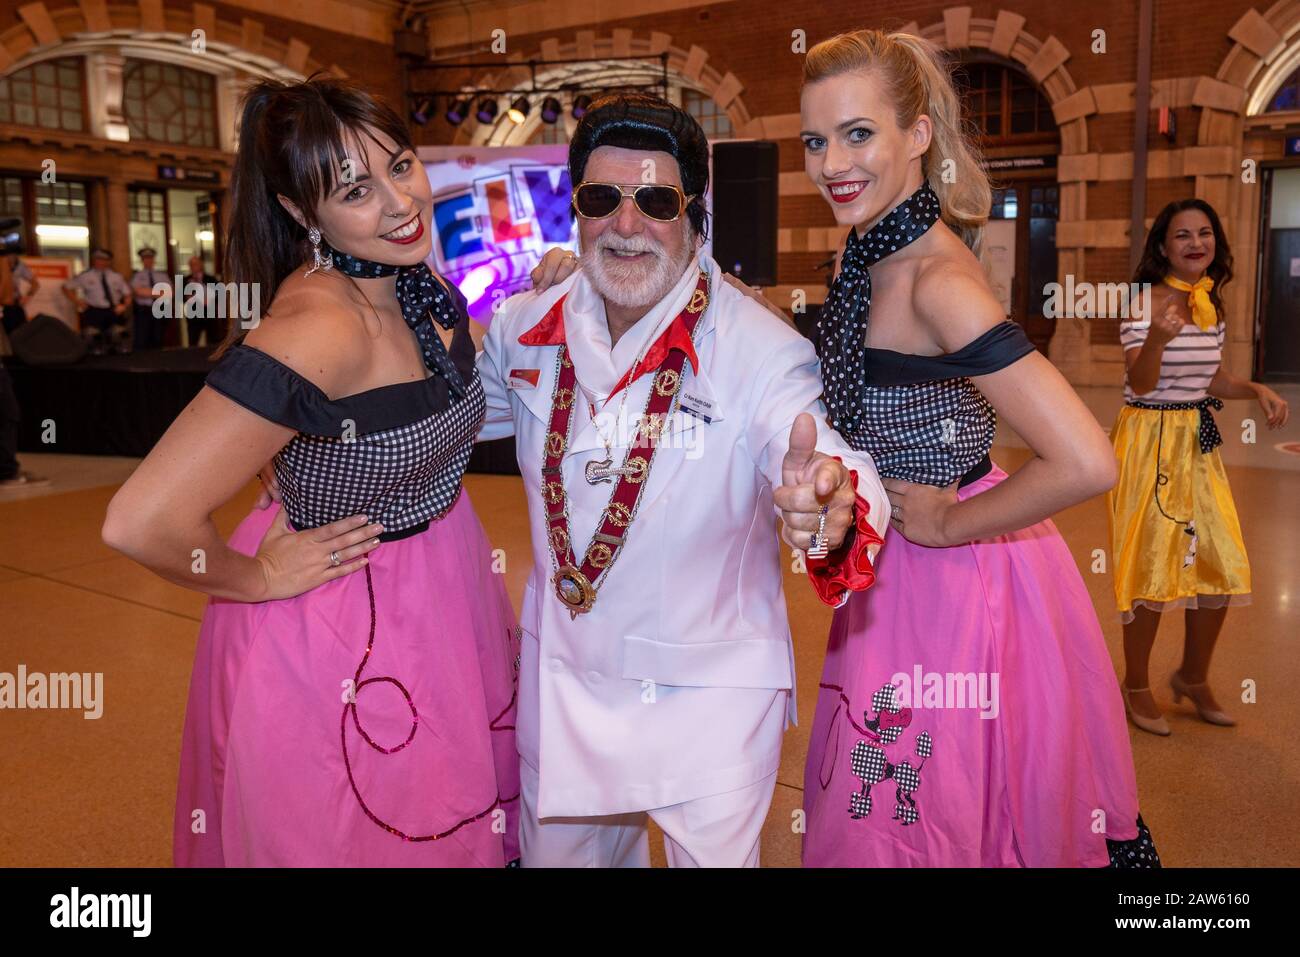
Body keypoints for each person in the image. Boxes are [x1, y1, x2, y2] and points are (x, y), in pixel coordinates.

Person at [102, 76, 521, 866]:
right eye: (356, 190)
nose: (400, 203)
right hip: (339, 624)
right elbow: (140, 519)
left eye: (401, 166)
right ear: (302, 213)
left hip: (445, 584)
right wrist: (255, 577)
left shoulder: (416, 279)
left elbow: (465, 390)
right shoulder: (317, 328)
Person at [481, 91, 891, 868]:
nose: (626, 224)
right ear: (576, 211)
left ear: (695, 215)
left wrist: (829, 505)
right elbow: (450, 429)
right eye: (602, 199)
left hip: (710, 696)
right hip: (565, 682)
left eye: (656, 200)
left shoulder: (759, 349)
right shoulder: (523, 329)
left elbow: (822, 456)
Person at [795, 29, 1154, 867]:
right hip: (894, 566)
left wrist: (952, 524)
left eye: (858, 133)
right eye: (816, 139)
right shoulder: (864, 244)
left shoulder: (937, 282)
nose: (831, 163)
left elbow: (1087, 457)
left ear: (917, 135)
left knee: (925, 810)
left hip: (955, 579)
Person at [1111, 199, 1288, 735]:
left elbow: (1211, 380)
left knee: (1220, 563)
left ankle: (1192, 674)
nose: (1195, 243)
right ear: (1163, 246)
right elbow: (1142, 383)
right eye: (1182, 235)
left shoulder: (1211, 303)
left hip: (1198, 443)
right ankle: (1136, 684)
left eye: (1204, 233)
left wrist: (1254, 387)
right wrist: (1158, 341)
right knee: (1151, 567)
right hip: (1149, 442)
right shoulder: (1144, 302)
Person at [63, 248, 131, 355]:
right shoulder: (85, 276)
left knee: (118, 338)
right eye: (98, 259)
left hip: (113, 311)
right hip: (94, 311)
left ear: (109, 261)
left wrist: (124, 306)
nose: (101, 262)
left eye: (104, 260)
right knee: (94, 340)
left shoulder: (116, 277)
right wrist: (78, 302)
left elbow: (127, 294)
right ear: (94, 260)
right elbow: (66, 287)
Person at [129, 247, 165, 351]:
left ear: (154, 260)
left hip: (159, 309)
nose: (148, 261)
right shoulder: (137, 276)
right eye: (145, 258)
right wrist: (158, 292)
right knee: (142, 339)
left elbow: (169, 292)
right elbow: (138, 292)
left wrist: (147, 292)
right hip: (144, 311)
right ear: (142, 260)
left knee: (158, 338)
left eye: (150, 258)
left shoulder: (162, 275)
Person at [181, 255, 220, 347]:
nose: (194, 266)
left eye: (196, 264)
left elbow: (218, 296)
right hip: (193, 315)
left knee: (213, 341)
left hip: (210, 315)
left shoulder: (211, 279)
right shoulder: (184, 281)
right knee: (193, 341)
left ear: (201, 265)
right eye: (192, 264)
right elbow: (183, 298)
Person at [2, 248, 39, 338]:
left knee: (21, 333)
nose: (11, 257)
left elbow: (35, 284)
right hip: (3, 302)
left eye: (13, 255)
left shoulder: (20, 266)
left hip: (14, 304)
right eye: (8, 255)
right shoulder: (2, 265)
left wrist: (27, 297)